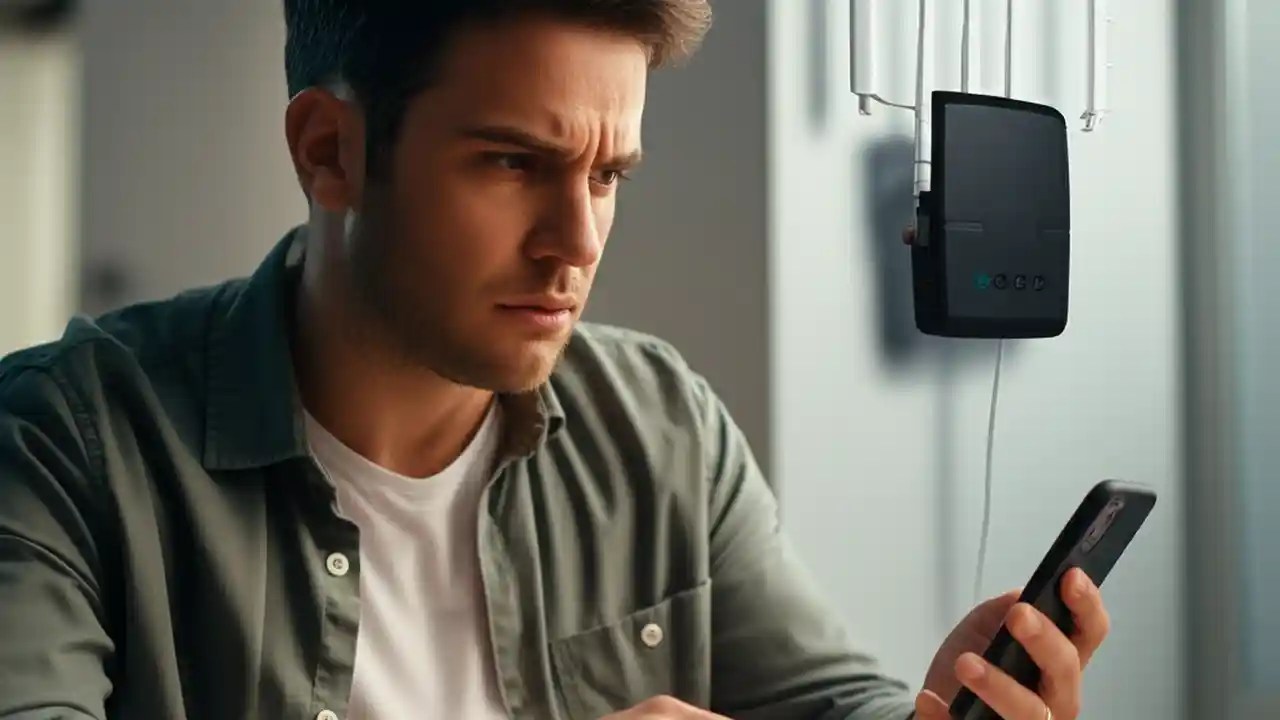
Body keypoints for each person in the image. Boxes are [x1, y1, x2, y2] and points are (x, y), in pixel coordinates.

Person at [0, 2, 1112, 719]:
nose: (574, 244)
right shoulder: (62, 440)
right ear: (327, 151)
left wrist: (938, 711)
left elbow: (821, 700)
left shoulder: (660, 421)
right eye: (509, 163)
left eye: (605, 177)